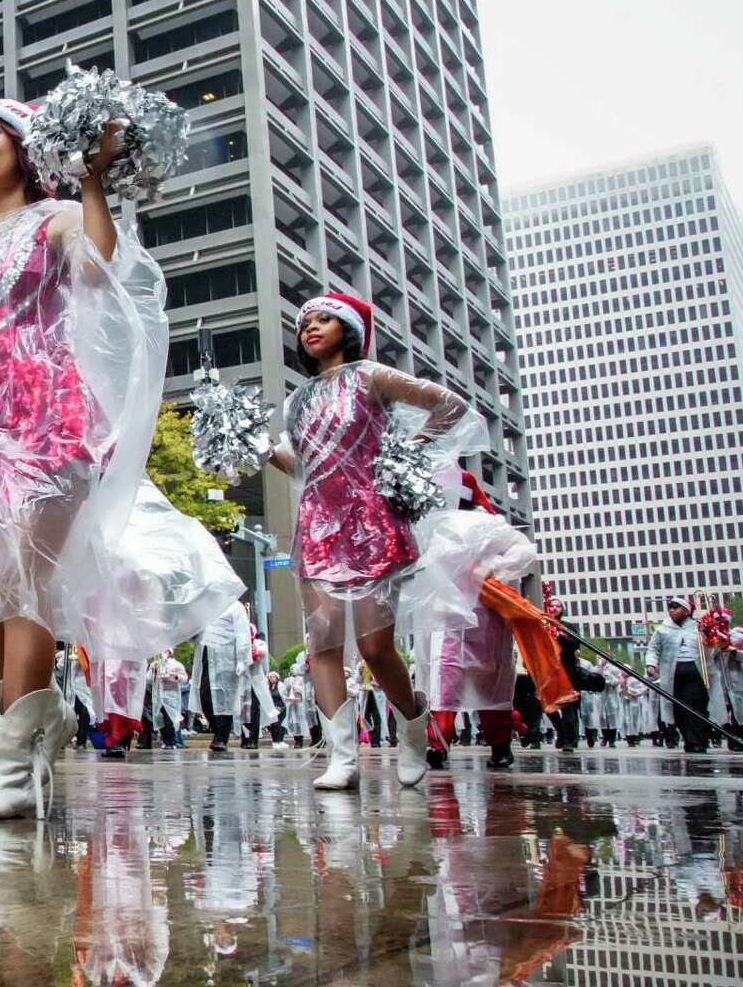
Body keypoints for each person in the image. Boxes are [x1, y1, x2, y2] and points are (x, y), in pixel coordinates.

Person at [0, 98, 237, 821]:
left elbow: (96, 273)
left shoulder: (56, 218)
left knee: (22, 583)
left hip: (44, 414)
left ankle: (8, 768)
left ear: (24, 148)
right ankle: (40, 712)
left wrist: (91, 179)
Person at [265, 291, 484, 792]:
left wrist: (407, 454)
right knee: (321, 640)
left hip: (372, 520)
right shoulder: (297, 401)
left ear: (348, 329)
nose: (311, 328)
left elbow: (447, 406)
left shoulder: (371, 377)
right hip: (317, 524)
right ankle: (342, 755)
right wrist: (259, 448)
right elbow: (301, 465)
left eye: (324, 319)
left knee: (375, 646)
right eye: (304, 324)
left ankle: (412, 729)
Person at [404, 471, 533, 772]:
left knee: (492, 684)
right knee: (443, 685)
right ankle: (439, 744)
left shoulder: (488, 525)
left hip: (486, 617)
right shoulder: (431, 528)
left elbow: (523, 551)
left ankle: (499, 745)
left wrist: (492, 567)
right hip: (447, 620)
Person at [646, 597, 709, 754]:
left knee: (697, 706)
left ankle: (698, 740)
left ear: (687, 611)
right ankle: (689, 739)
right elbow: (653, 648)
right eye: (670, 607)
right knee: (678, 708)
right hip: (674, 675)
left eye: (676, 607)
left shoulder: (699, 627)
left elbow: (711, 646)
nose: (672, 610)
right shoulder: (662, 630)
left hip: (697, 673)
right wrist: (651, 664)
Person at [190, 600, 250, 755]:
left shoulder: (236, 607)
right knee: (204, 695)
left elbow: (243, 633)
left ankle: (222, 738)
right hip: (206, 655)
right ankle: (217, 730)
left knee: (225, 699)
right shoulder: (206, 605)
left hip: (226, 659)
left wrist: (243, 660)